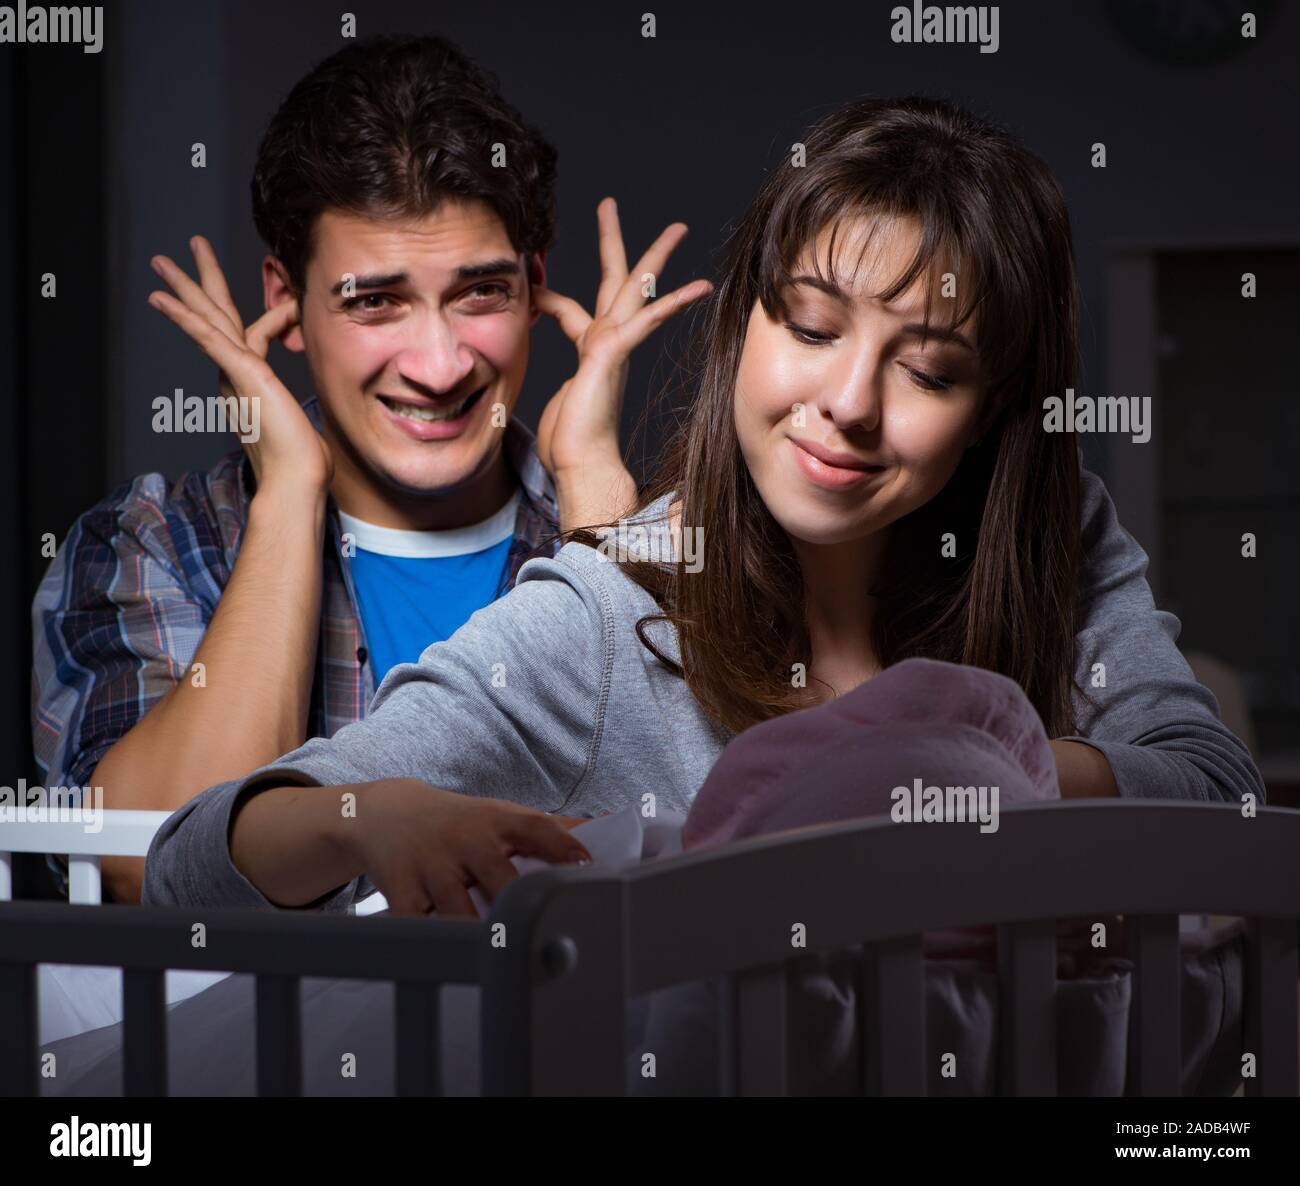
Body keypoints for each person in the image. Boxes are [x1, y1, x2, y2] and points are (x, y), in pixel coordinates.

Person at [139, 94, 1264, 920]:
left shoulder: (1058, 535)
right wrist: (364, 813)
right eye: (811, 330)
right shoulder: (611, 607)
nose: (846, 405)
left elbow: (1216, 792)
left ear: (992, 411)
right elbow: (191, 861)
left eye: (926, 370)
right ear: (744, 330)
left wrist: (967, 765)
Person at [30, 34, 709, 903]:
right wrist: (289, 498)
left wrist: (595, 493)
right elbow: (156, 869)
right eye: (374, 301)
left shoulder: (639, 531)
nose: (437, 364)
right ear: (288, 304)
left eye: (480, 293)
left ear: (536, 286)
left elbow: (683, 851)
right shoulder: (155, 542)